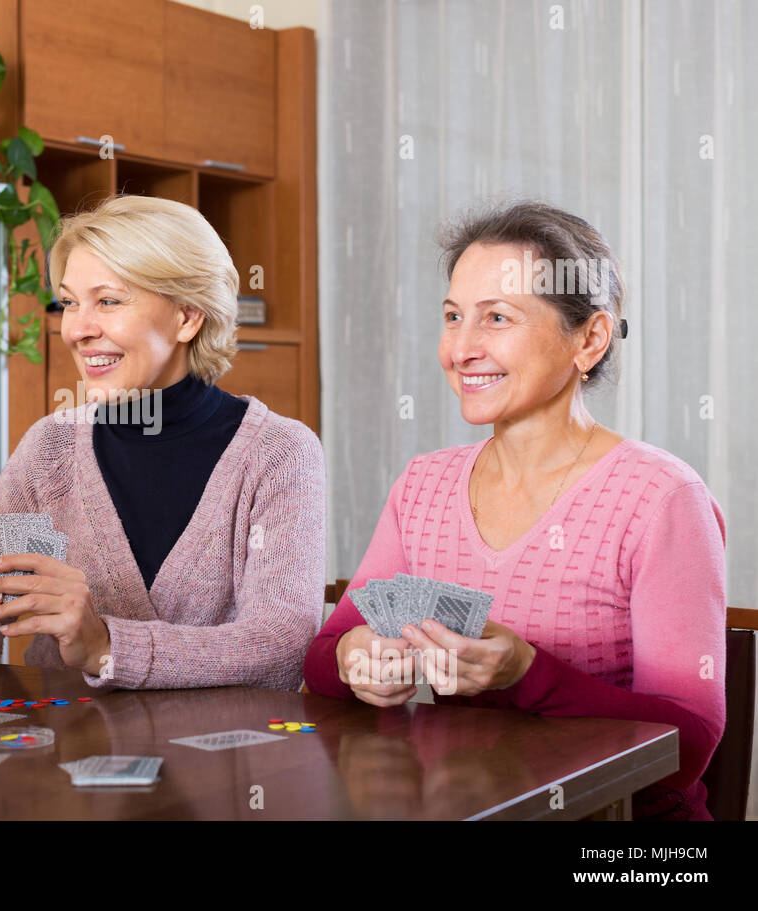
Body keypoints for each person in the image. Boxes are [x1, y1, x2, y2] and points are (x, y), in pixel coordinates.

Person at [302, 201, 726, 821]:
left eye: (497, 318)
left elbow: (689, 743)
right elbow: (324, 655)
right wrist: (355, 659)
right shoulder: (424, 485)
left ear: (590, 338)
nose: (462, 348)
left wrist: (527, 672)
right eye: (453, 317)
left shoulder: (661, 498)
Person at [0, 195, 327, 690]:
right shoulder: (51, 447)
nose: (76, 330)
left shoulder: (279, 452)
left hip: (221, 766)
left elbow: (282, 645)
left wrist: (105, 646)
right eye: (69, 302)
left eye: (108, 301)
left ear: (188, 317)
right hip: (63, 755)